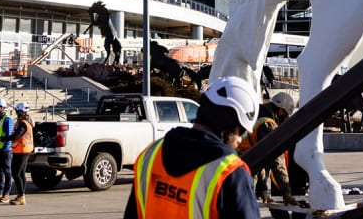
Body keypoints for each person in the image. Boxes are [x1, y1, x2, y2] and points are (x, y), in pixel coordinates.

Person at [124, 76, 261, 219]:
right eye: (242, 132)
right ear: (228, 125)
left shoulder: (151, 154)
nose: (240, 140)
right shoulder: (230, 173)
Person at [245, 91, 298, 214]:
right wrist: (286, 192)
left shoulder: (256, 114)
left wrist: (262, 190)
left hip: (238, 167)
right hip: (244, 172)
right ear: (280, 111)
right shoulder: (268, 125)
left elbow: (261, 159)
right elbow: (276, 161)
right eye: (285, 116)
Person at [7, 101, 35, 206]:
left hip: (22, 150)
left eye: (17, 111)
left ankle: (21, 195)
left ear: (21, 111)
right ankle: (21, 195)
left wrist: (5, 138)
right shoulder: (27, 121)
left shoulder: (23, 123)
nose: (16, 113)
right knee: (21, 173)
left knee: (16, 173)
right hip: (24, 149)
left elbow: (16, 136)